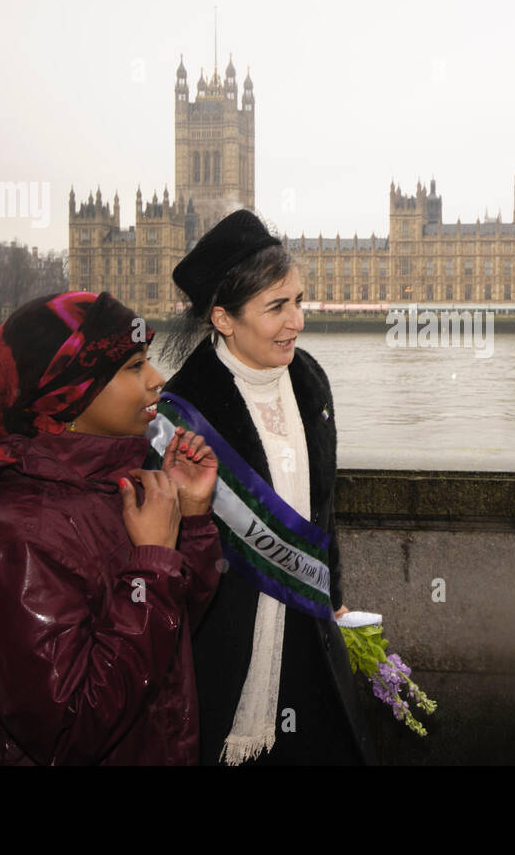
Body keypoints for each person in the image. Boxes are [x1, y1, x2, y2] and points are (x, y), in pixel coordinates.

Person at [0, 290, 223, 765]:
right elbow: (72, 726)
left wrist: (188, 520)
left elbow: (173, 623)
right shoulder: (15, 538)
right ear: (67, 393)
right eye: (133, 366)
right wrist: (152, 564)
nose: (158, 380)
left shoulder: (109, 487)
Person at [160, 208, 374, 765]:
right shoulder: (183, 409)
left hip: (309, 631)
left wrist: (336, 596)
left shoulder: (309, 379)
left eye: (299, 301)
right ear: (224, 318)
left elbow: (322, 511)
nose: (296, 321)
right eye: (277, 307)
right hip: (227, 644)